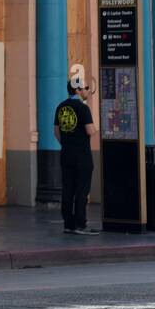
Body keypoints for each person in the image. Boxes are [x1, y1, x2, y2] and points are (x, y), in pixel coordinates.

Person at [54, 74, 99, 234]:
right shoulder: (83, 108)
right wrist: (97, 128)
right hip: (82, 155)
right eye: (85, 88)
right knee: (81, 189)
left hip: (66, 154)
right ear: (78, 90)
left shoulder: (61, 107)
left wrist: (67, 144)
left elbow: (56, 132)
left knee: (68, 189)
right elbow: (90, 130)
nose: (87, 91)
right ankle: (80, 224)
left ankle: (68, 224)